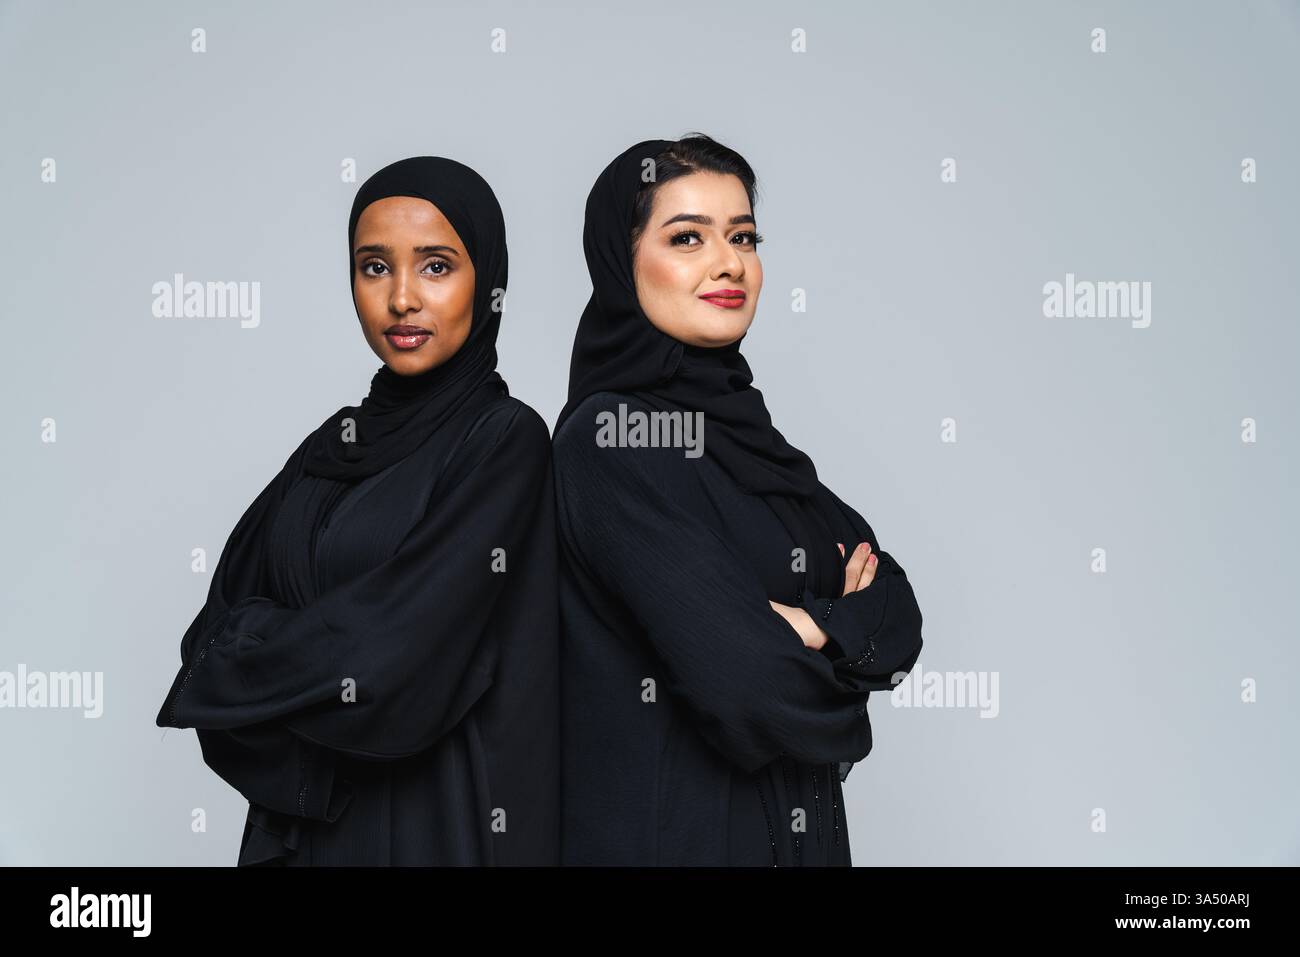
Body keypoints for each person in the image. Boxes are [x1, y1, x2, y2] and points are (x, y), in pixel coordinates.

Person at [155, 156, 558, 866]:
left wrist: (270, 652)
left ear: (487, 282)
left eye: (436, 266)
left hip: (437, 824)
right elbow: (207, 649)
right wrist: (305, 653)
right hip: (299, 827)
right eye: (374, 267)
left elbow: (391, 658)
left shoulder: (506, 440)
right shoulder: (331, 445)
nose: (401, 298)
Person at [552, 135, 924, 866]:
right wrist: (846, 663)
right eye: (687, 237)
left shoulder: (746, 438)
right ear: (620, 263)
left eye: (744, 237)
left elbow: (900, 609)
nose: (730, 263)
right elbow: (747, 686)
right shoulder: (611, 439)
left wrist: (812, 626)